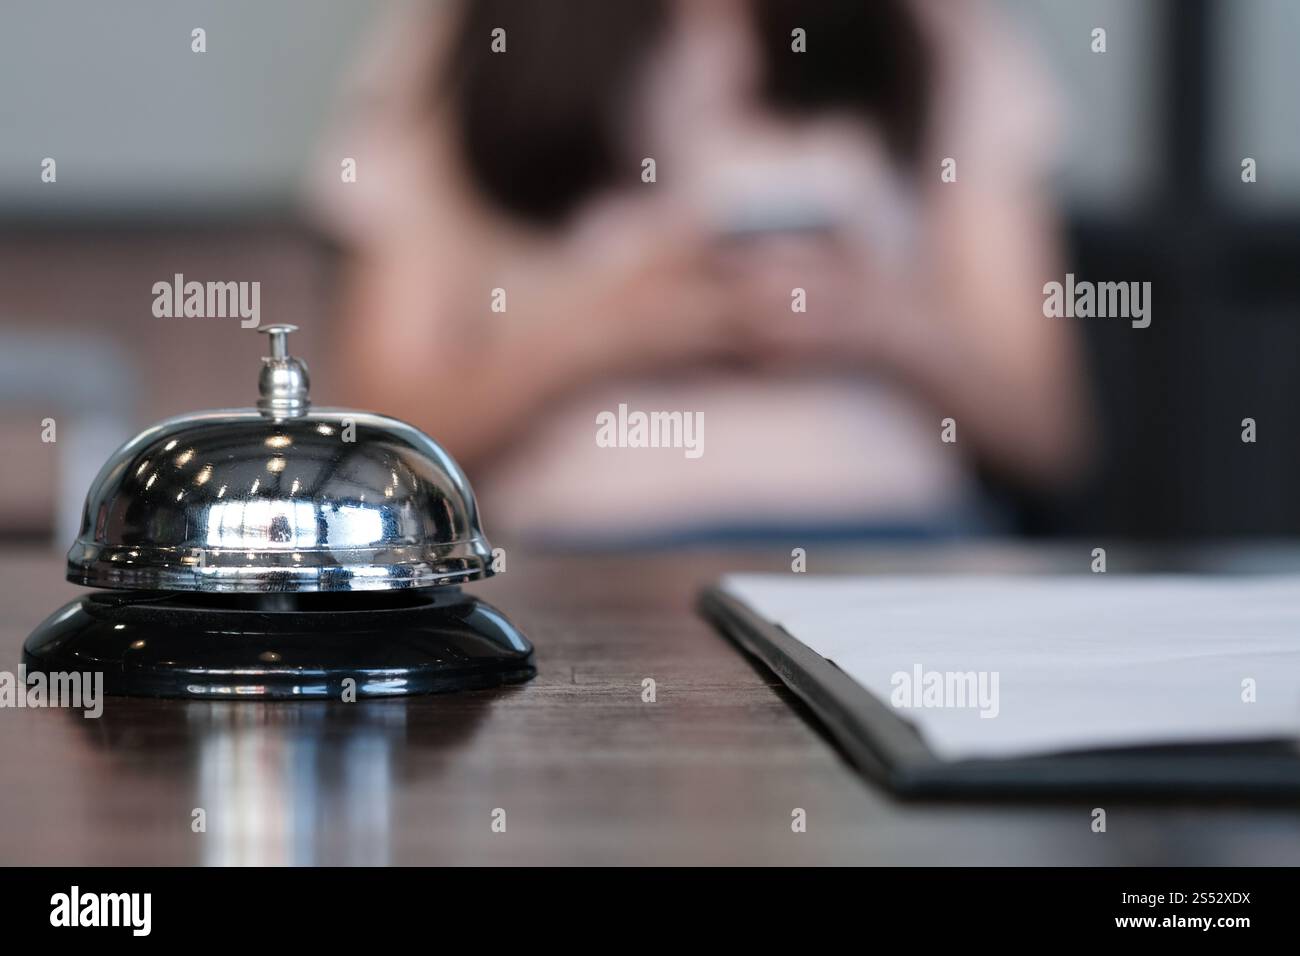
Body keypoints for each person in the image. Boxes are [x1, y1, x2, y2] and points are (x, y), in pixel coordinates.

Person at [311, 0, 1092, 545]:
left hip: (889, 544)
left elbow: (1048, 433)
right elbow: (377, 437)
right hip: (579, 564)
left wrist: (881, 321)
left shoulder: (930, 28)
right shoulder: (468, 35)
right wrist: (606, 329)